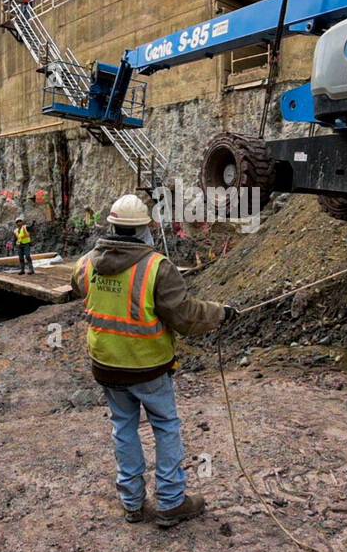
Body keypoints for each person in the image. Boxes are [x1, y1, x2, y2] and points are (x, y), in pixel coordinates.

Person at [71, 195, 238, 528]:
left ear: (112, 225)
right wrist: (221, 313)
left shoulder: (86, 263)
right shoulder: (156, 267)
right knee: (165, 428)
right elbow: (185, 316)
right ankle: (171, 502)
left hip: (106, 365)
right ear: (145, 229)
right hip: (148, 367)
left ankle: (132, 503)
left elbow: (80, 289)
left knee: (124, 429)